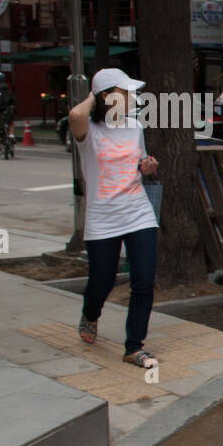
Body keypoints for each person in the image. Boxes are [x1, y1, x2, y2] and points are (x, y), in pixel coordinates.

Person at [67, 68, 161, 368]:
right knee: (102, 281)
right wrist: (96, 94)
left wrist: (146, 168)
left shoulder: (134, 126)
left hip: (138, 211)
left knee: (144, 282)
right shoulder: (89, 131)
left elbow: (138, 165)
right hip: (103, 217)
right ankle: (91, 314)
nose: (133, 96)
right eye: (127, 91)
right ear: (106, 97)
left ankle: (134, 346)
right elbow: (75, 115)